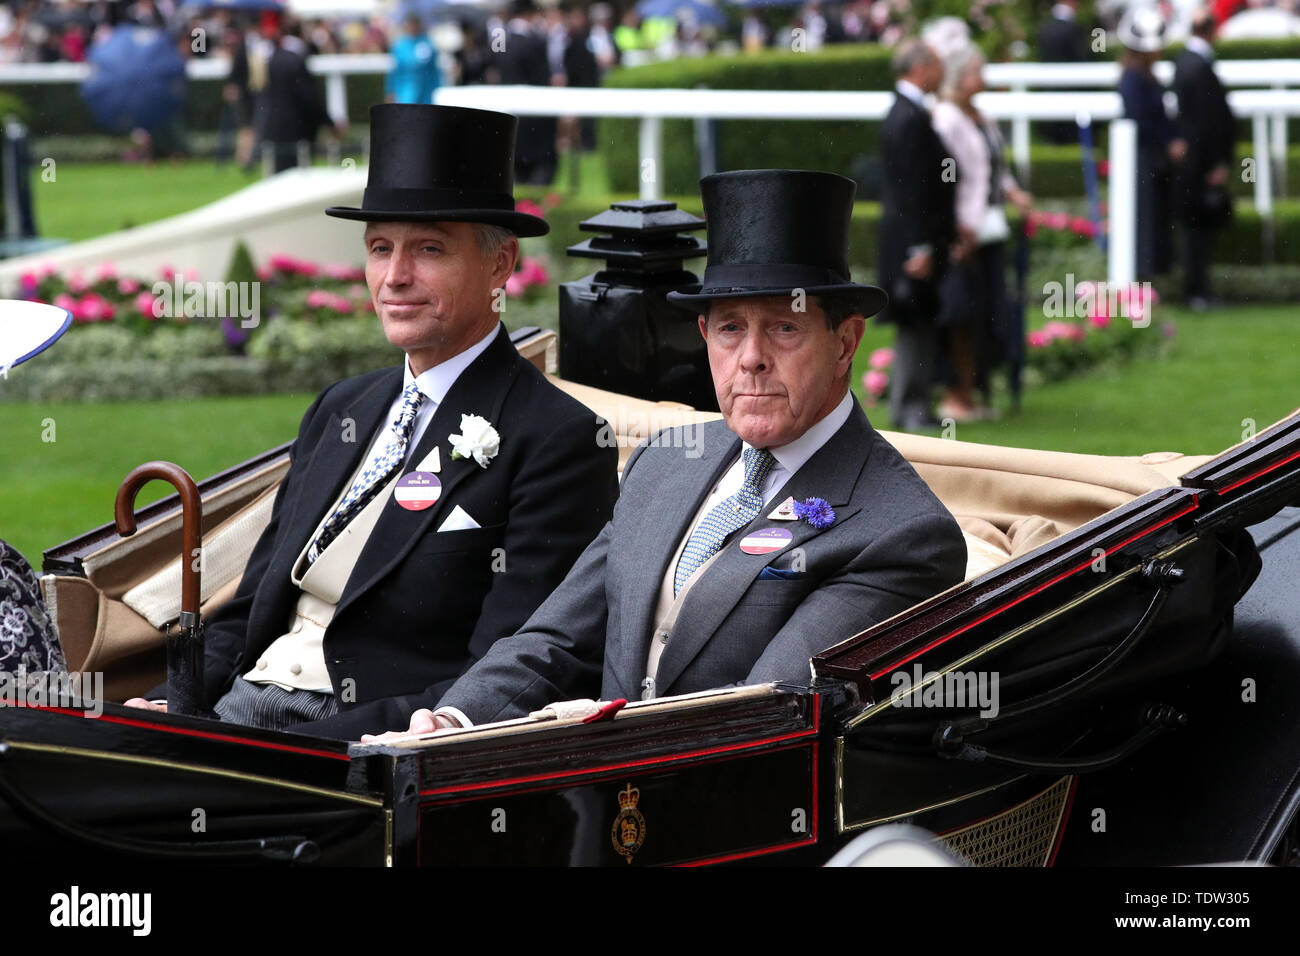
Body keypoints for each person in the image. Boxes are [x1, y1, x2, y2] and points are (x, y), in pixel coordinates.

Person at [369, 169, 968, 738]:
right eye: (730, 328)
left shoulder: (900, 532)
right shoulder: (668, 460)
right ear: (705, 339)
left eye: (785, 327)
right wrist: (453, 722)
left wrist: (592, 733)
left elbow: (765, 713)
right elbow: (558, 639)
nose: (752, 358)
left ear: (846, 341)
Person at [125, 104, 619, 738]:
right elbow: (250, 608)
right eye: (380, 248)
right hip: (239, 714)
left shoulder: (556, 438)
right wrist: (176, 703)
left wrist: (317, 745)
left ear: (500, 265)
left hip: (364, 740)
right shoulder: (343, 408)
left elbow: (510, 662)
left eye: (429, 249)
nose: (394, 277)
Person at [932, 44, 1033, 422]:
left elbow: (993, 167)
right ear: (959, 76)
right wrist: (959, 227)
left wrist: (1013, 192)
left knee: (989, 313)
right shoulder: (947, 118)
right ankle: (956, 396)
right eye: (977, 71)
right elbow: (950, 178)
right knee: (963, 313)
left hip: (989, 230)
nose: (983, 78)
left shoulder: (980, 117)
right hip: (966, 233)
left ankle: (975, 391)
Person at [877, 39, 956, 431]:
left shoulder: (907, 112)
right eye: (938, 65)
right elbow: (912, 190)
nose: (942, 73)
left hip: (916, 239)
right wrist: (920, 245)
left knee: (920, 321)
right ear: (921, 68)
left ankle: (914, 402)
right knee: (914, 322)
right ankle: (909, 405)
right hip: (913, 243)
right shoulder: (908, 117)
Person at [1117, 6, 1185, 280]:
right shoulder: (1133, 77)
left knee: (1155, 215)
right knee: (1145, 215)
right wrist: (1168, 141)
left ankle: (1154, 271)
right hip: (1142, 156)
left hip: (1152, 154)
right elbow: (1138, 118)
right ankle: (1143, 273)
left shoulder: (1145, 75)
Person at [1173, 8, 1235, 310]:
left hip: (1194, 162)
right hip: (1201, 165)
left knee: (1196, 232)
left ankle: (1197, 290)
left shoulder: (1186, 62)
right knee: (1198, 233)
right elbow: (1208, 122)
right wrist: (1217, 162)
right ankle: (1196, 291)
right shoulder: (1198, 65)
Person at [257, 17, 344, 173]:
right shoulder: (296, 60)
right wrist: (330, 122)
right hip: (297, 128)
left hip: (275, 125)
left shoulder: (274, 59)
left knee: (279, 176)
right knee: (296, 176)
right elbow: (309, 98)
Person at [1038, 0, 1090, 144]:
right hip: (1073, 92)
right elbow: (1085, 58)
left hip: (1048, 91)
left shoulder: (1044, 27)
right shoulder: (1075, 28)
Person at [385, 14, 440, 105]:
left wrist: (438, 87)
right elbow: (394, 71)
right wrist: (390, 91)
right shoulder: (399, 46)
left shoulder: (427, 43)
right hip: (405, 92)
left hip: (426, 92)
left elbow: (434, 70)